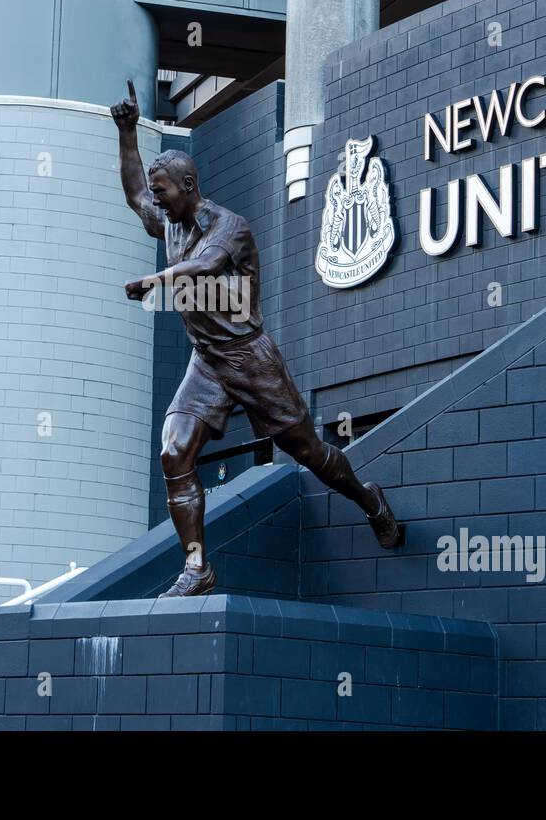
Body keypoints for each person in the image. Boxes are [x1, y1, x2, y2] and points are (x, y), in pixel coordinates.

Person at [112, 80, 404, 598]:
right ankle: (197, 569)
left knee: (311, 452)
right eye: (158, 196)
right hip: (207, 363)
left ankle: (368, 499)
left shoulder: (230, 226)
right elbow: (135, 192)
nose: (157, 201)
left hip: (251, 359)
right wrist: (128, 133)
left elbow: (205, 267)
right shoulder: (170, 222)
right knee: (174, 452)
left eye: (165, 193)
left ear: (190, 186)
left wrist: (154, 283)